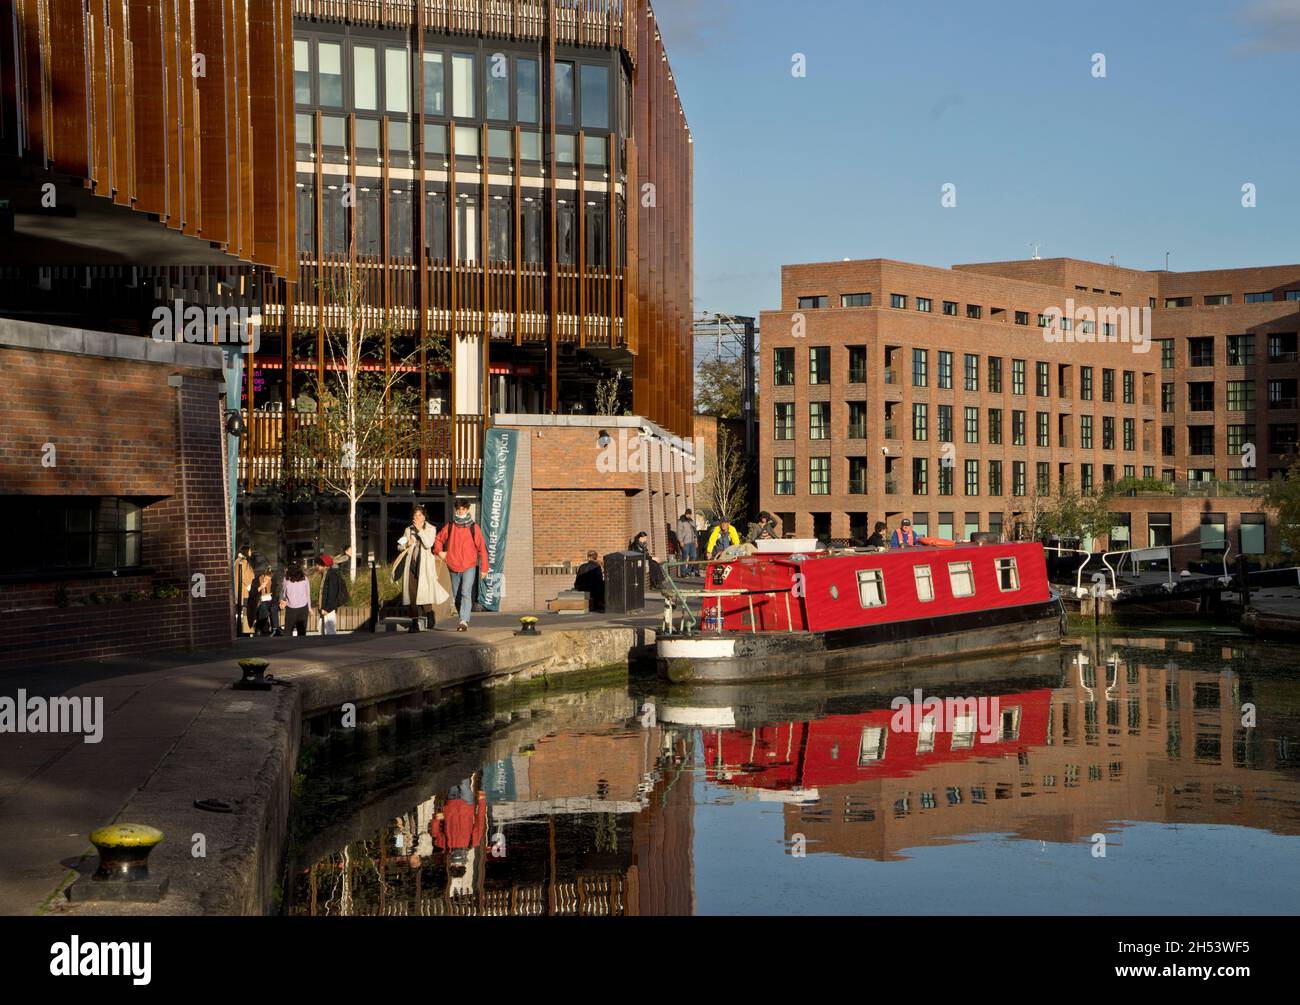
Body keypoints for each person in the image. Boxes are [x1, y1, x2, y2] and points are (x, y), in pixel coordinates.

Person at [435, 499, 489, 631]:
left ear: (467, 510)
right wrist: (440, 552)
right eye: (458, 509)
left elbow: (482, 548)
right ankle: (462, 617)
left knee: (466, 592)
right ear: (456, 510)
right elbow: (438, 539)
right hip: (453, 566)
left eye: (463, 509)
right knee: (457, 595)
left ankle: (464, 620)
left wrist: (484, 568)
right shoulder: (450, 526)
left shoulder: (473, 528)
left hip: (469, 566)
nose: (461, 511)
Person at [431, 778, 488, 880]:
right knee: (463, 781)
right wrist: (482, 801)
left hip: (450, 803)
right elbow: (480, 822)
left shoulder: (445, 846)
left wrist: (436, 819)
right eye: (459, 865)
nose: (456, 862)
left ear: (451, 864)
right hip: (467, 803)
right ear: (464, 864)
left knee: (452, 776)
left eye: (454, 865)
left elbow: (435, 833)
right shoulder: (473, 842)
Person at [397, 504, 440, 632]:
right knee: (412, 593)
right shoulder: (408, 529)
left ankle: (429, 612)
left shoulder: (431, 528)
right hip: (411, 564)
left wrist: (420, 531)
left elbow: (428, 544)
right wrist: (406, 545)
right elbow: (399, 546)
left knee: (424, 591)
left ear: (424, 516)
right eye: (415, 515)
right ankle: (414, 622)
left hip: (425, 566)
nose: (417, 517)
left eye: (420, 515)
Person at [318, 553, 348, 635]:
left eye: (319, 564)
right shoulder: (326, 574)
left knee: (330, 632)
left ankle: (332, 646)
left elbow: (332, 593)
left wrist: (327, 608)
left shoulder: (331, 575)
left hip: (329, 609)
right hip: (325, 608)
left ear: (325, 565)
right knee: (322, 631)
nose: (317, 566)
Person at [280, 561, 311, 636]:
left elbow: (284, 593)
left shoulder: (286, 579)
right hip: (303, 608)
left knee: (288, 632)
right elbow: (308, 594)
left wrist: (283, 601)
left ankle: (288, 647)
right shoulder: (305, 579)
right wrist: (309, 607)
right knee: (302, 633)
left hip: (291, 609)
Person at [247, 569, 279, 637]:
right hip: (258, 602)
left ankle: (275, 629)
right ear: (263, 576)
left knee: (274, 606)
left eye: (269, 579)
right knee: (264, 606)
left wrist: (271, 596)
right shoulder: (256, 581)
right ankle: (260, 628)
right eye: (266, 578)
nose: (267, 581)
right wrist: (261, 587)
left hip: (269, 601)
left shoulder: (272, 582)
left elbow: (275, 595)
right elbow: (252, 594)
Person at [234, 545, 255, 637]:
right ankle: (244, 631)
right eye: (250, 551)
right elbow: (244, 576)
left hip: (239, 592)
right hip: (244, 592)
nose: (251, 553)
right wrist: (249, 585)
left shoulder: (237, 561)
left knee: (239, 612)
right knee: (245, 612)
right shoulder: (244, 562)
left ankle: (240, 629)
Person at [677, 510, 699, 575]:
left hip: (692, 542)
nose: (688, 515)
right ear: (685, 514)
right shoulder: (681, 521)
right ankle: (683, 573)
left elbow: (695, 532)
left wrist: (696, 541)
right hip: (685, 542)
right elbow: (679, 532)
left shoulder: (692, 522)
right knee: (684, 557)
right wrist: (681, 541)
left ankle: (687, 570)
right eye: (687, 514)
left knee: (694, 556)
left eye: (689, 514)